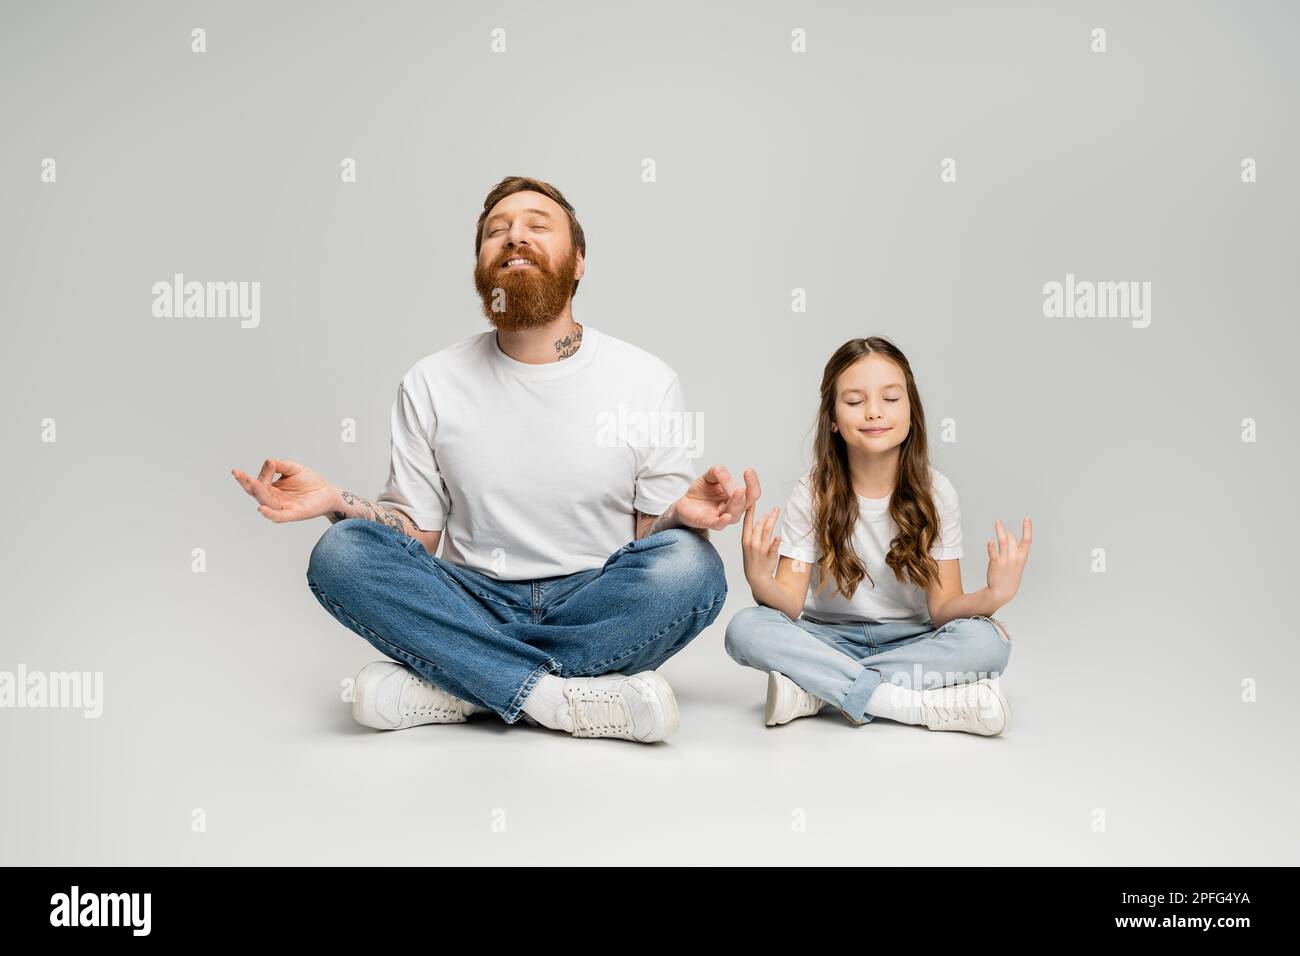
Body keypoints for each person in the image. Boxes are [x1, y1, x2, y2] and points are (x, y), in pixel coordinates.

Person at [232, 175, 760, 743]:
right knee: (342, 552)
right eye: (496, 232)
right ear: (482, 268)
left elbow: (647, 542)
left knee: (691, 566)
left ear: (578, 261)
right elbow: (416, 537)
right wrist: (336, 502)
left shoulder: (647, 381)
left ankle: (459, 684)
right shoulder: (431, 382)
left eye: (537, 226)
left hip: (592, 597)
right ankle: (558, 698)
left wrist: (681, 517)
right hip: (471, 596)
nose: (514, 237)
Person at [725, 336, 1031, 736]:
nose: (873, 412)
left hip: (911, 641)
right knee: (745, 629)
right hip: (827, 639)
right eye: (854, 402)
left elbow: (943, 609)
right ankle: (903, 703)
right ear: (833, 418)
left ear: (911, 412)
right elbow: (788, 604)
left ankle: (819, 689)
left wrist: (994, 596)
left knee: (987, 643)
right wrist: (761, 580)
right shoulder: (812, 492)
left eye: (890, 399)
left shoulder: (936, 492)